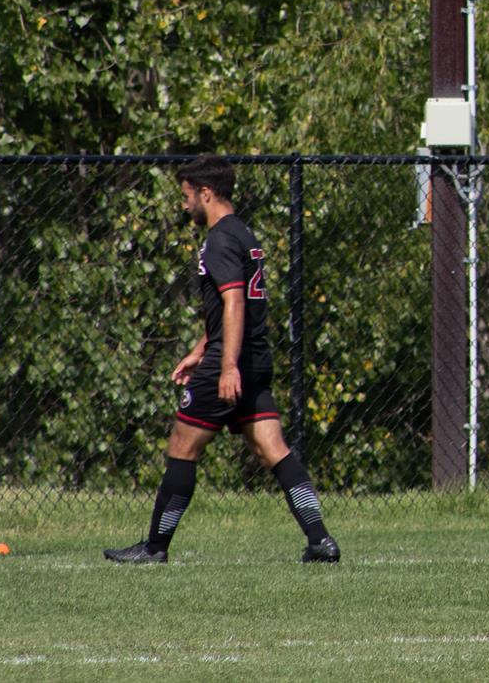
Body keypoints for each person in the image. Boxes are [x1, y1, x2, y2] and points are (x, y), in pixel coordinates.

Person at [106, 156, 338, 565]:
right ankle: (320, 540)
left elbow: (233, 302)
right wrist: (200, 349)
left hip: (230, 361)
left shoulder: (218, 240)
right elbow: (232, 307)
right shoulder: (243, 234)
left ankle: (155, 548)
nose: (184, 205)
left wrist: (224, 364)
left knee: (182, 445)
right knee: (273, 448)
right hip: (254, 356)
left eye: (186, 196)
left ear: (205, 193)